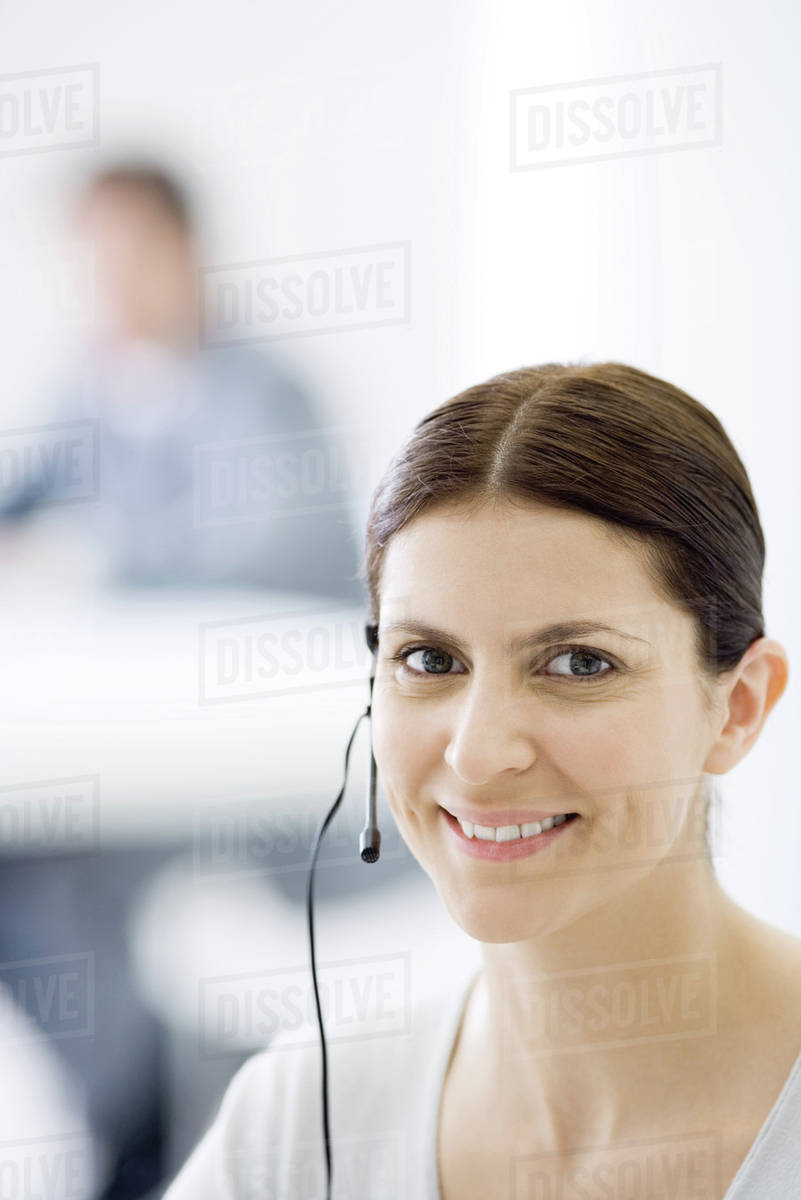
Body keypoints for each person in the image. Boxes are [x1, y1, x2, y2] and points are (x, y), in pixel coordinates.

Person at [160, 361, 800, 1199]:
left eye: (578, 663)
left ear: (739, 707)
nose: (476, 752)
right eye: (428, 659)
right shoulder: (300, 1125)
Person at [0, 160, 362, 600]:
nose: (112, 283)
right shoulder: (89, 392)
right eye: (94, 261)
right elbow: (23, 493)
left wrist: (91, 562)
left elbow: (263, 554)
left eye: (131, 256)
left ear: (186, 250)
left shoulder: (267, 395)